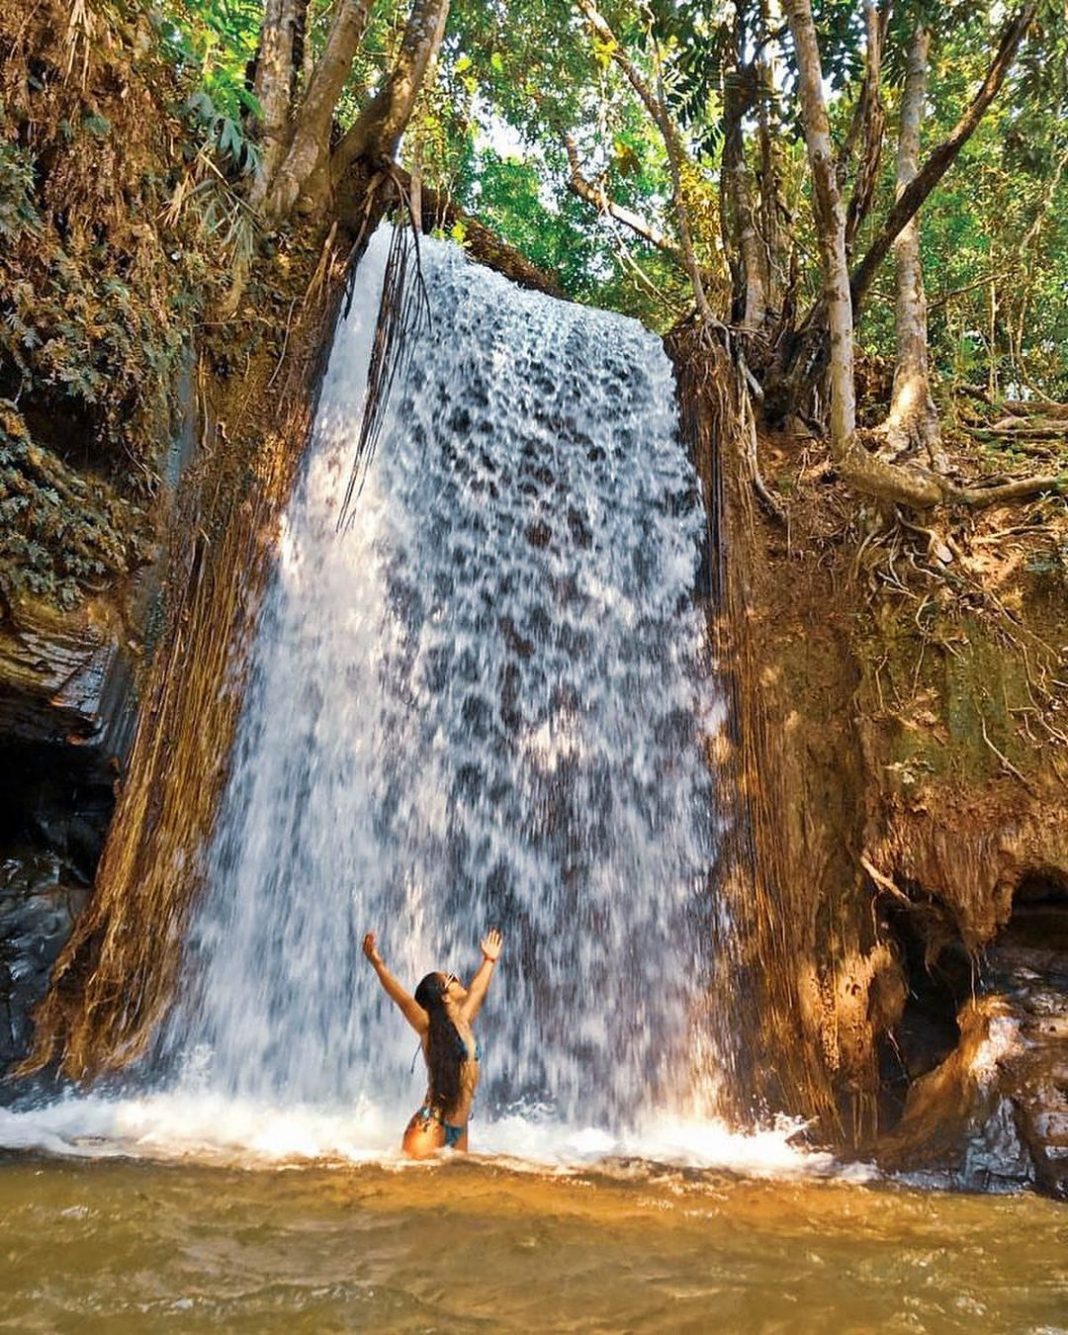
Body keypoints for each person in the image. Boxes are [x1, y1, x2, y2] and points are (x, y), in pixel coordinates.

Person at [362, 927, 503, 1158]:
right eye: (452, 979)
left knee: (458, 1192)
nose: (458, 979)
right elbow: (404, 1000)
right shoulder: (429, 1027)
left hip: (459, 1126)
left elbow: (478, 989)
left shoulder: (464, 1019)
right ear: (444, 996)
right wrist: (378, 965)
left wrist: (489, 960)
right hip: (430, 1126)